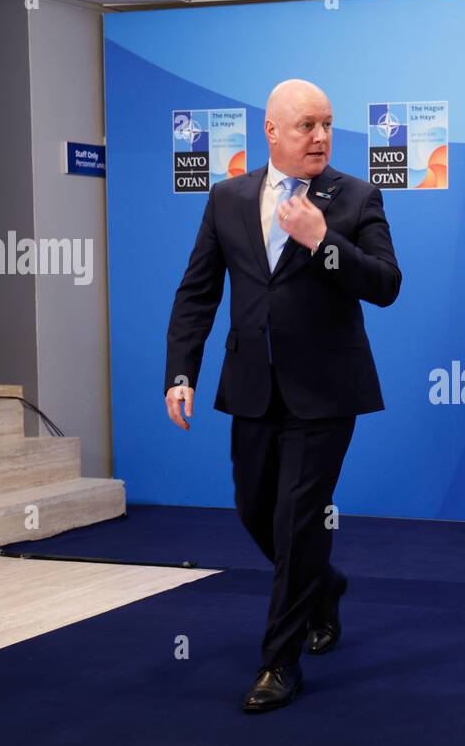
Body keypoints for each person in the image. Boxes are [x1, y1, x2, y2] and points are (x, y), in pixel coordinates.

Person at [163, 79, 401, 712]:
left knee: (298, 519)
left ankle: (279, 662)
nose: (320, 136)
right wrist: (180, 372)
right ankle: (323, 586)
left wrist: (323, 242)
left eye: (327, 124)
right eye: (306, 126)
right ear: (271, 132)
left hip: (326, 392)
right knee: (253, 509)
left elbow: (385, 284)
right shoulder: (228, 197)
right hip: (250, 386)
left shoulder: (354, 197)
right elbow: (197, 293)